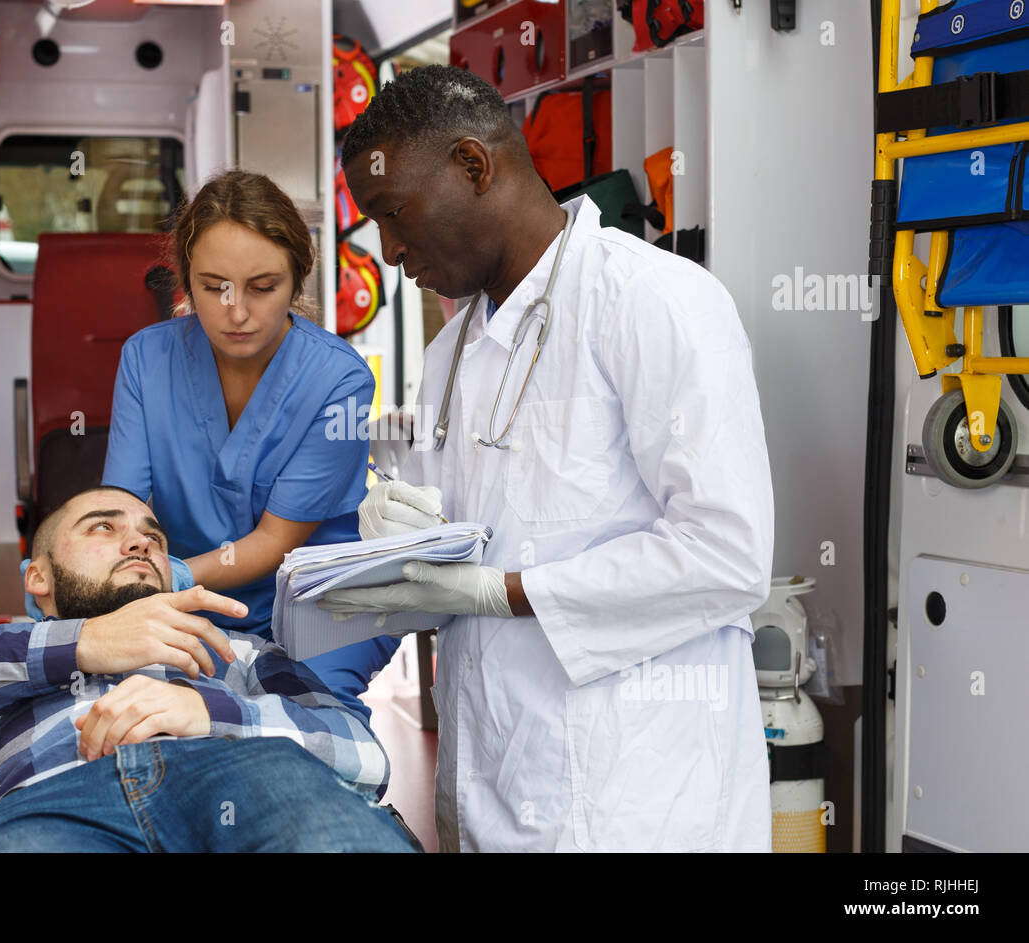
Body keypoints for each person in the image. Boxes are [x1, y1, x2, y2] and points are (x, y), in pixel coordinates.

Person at [323, 65, 775, 852]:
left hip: (637, 798)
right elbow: (445, 569)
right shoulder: (448, 354)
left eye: (394, 215)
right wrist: (396, 541)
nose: (391, 250)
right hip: (493, 779)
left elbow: (727, 554)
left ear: (473, 165)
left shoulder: (653, 300)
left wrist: (505, 591)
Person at [0, 486, 420, 853]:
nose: (140, 543)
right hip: (41, 805)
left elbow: (366, 756)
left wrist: (211, 711)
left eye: (153, 537)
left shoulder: (240, 653)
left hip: (240, 777)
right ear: (38, 578)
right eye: (104, 527)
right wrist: (79, 645)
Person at [101, 169, 398, 719]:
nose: (237, 313)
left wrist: (169, 576)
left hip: (317, 603)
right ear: (186, 281)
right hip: (183, 598)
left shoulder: (340, 380)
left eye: (263, 288)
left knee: (313, 721)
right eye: (214, 288)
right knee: (141, 712)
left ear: (297, 281)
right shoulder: (145, 360)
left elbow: (273, 541)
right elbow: (125, 509)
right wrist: (107, 573)